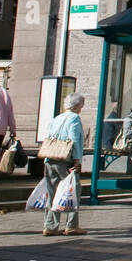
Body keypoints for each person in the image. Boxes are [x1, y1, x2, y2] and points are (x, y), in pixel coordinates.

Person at [42, 93, 86, 236]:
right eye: (81, 105)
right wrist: (77, 159)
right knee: (72, 190)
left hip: (50, 157)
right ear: (77, 106)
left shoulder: (57, 118)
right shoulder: (74, 118)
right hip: (65, 159)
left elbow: (48, 135)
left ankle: (50, 225)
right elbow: (74, 139)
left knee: (52, 192)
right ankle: (72, 225)